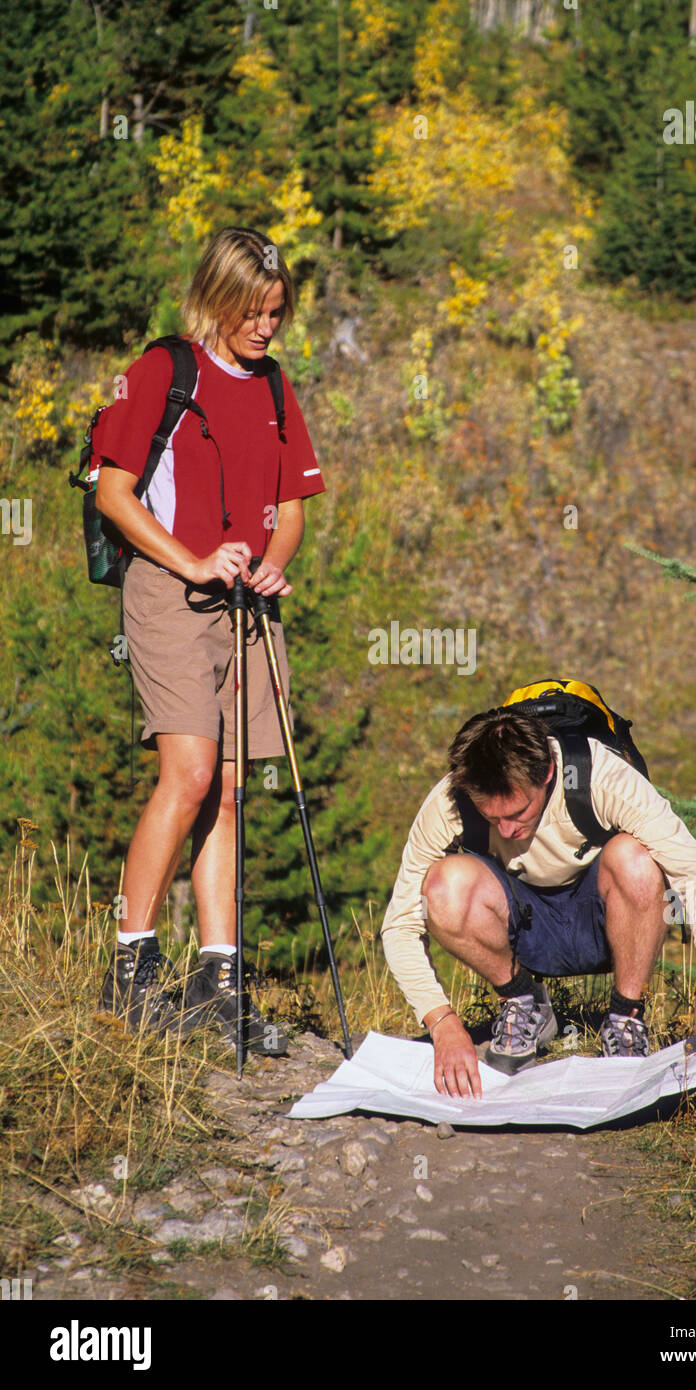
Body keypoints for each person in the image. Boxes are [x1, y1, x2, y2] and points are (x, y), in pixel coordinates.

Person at [95, 226, 325, 1054]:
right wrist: (194, 558)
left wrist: (270, 563)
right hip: (167, 593)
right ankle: (131, 970)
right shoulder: (163, 370)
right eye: (254, 311)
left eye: (277, 312)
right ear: (217, 299)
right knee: (189, 774)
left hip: (246, 606)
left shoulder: (272, 387)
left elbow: (293, 507)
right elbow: (116, 496)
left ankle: (219, 981)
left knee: (230, 790)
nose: (266, 327)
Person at [381, 706, 696, 1098]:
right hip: (522, 924)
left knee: (635, 859)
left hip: (607, 922)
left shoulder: (602, 777)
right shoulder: (451, 800)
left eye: (518, 812)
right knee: (442, 886)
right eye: (491, 816)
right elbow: (400, 923)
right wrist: (443, 1023)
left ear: (548, 772)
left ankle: (625, 1018)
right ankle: (524, 1000)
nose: (507, 830)